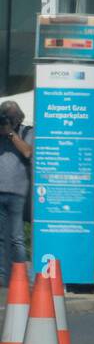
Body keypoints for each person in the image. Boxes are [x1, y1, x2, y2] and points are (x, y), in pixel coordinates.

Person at [0, 101, 33, 287]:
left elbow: (28, 152)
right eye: (5, 115)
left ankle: (22, 278)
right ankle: (3, 277)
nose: (7, 119)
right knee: (1, 238)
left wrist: (10, 133)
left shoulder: (26, 131)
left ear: (18, 117)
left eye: (11, 116)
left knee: (16, 238)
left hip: (17, 193)